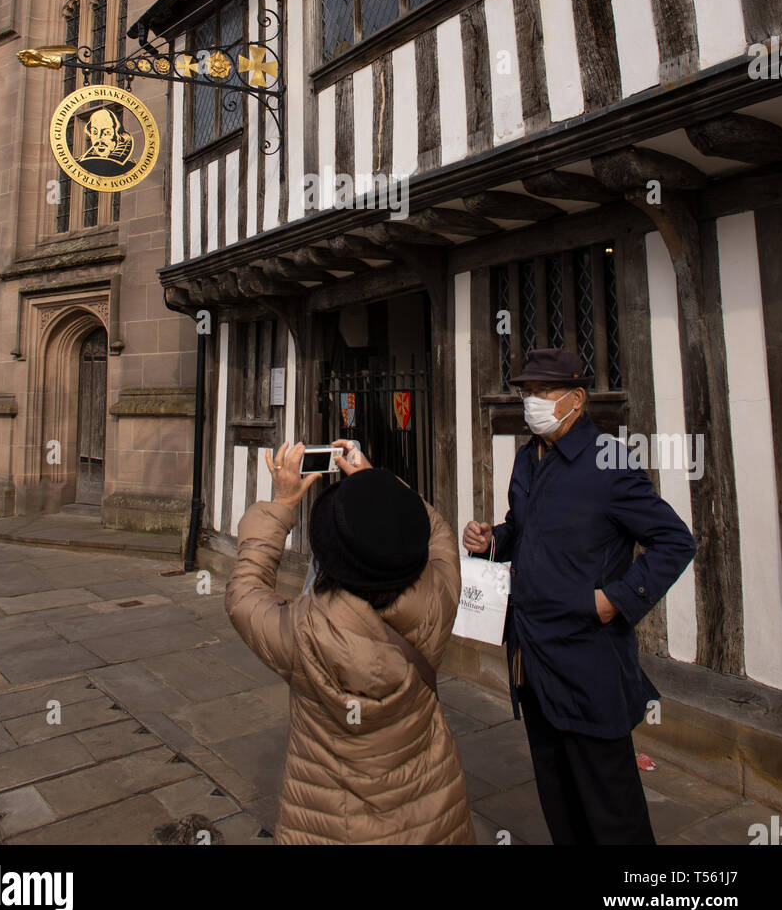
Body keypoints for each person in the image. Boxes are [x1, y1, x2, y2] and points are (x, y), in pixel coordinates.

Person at [463, 348, 696, 846]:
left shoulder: (608, 462)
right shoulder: (529, 457)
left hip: (587, 661)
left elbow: (675, 541)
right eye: (526, 392)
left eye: (542, 392)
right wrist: (496, 540)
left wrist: (615, 599)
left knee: (611, 810)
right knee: (558, 797)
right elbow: (528, 530)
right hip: (531, 655)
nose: (531, 402)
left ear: (576, 398)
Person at [225, 437, 476, 845]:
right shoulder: (438, 599)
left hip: (330, 825)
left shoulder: (304, 633)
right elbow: (436, 531)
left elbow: (244, 596)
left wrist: (284, 503)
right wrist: (376, 483)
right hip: (431, 815)